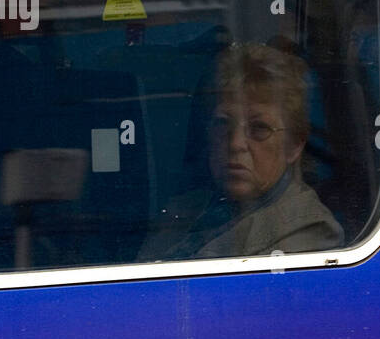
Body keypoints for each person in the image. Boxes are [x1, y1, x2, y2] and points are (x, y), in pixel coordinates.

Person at [138, 43, 344, 261]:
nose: (236, 144)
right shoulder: (185, 208)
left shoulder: (312, 232)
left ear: (293, 145)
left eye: (259, 129)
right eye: (223, 124)